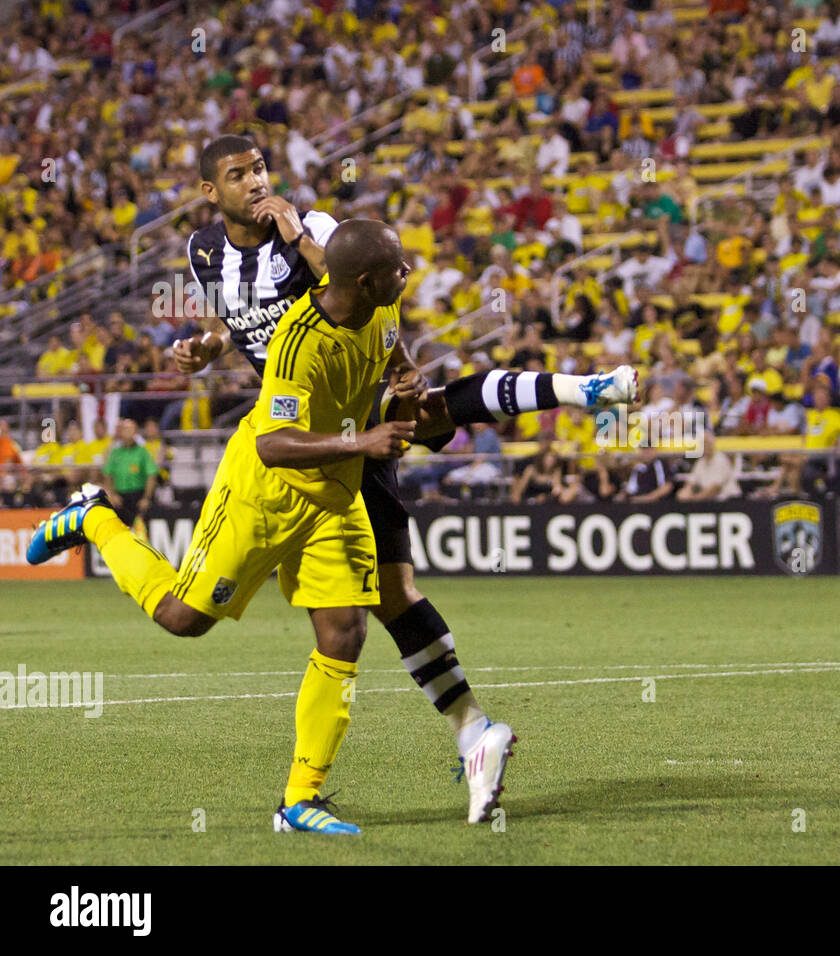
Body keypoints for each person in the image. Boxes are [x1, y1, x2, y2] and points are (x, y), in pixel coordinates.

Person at [170, 135, 637, 823]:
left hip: (344, 414)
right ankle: (473, 732)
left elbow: (361, 283)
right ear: (212, 191)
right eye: (238, 175)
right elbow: (228, 322)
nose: (255, 182)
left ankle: (580, 388)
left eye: (260, 169)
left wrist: (302, 241)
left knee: (429, 425)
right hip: (307, 429)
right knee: (391, 594)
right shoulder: (202, 252)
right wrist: (207, 347)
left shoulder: (317, 231)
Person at [29, 220, 433, 836]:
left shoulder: (381, 310)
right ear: (366, 279)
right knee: (183, 619)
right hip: (264, 493)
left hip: (335, 497)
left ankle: (300, 801)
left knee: (345, 633)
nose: (408, 276)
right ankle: (98, 519)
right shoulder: (300, 340)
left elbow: (393, 356)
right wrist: (365, 437)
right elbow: (273, 443)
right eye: (399, 269)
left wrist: (407, 380)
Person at [100, 419, 158, 527]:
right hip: (120, 497)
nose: (127, 432)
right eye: (125, 429)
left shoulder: (142, 452)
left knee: (140, 530)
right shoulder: (115, 453)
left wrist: (146, 498)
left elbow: (151, 475)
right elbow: (108, 475)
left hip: (137, 495)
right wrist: (112, 494)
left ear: (135, 432)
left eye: (130, 429)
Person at [677, 431, 740, 501]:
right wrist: (685, 492)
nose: (706, 447)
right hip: (709, 499)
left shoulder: (721, 460)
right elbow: (692, 480)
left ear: (713, 444)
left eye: (707, 444)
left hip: (729, 499)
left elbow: (715, 487)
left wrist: (696, 498)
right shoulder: (701, 462)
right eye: (703, 444)